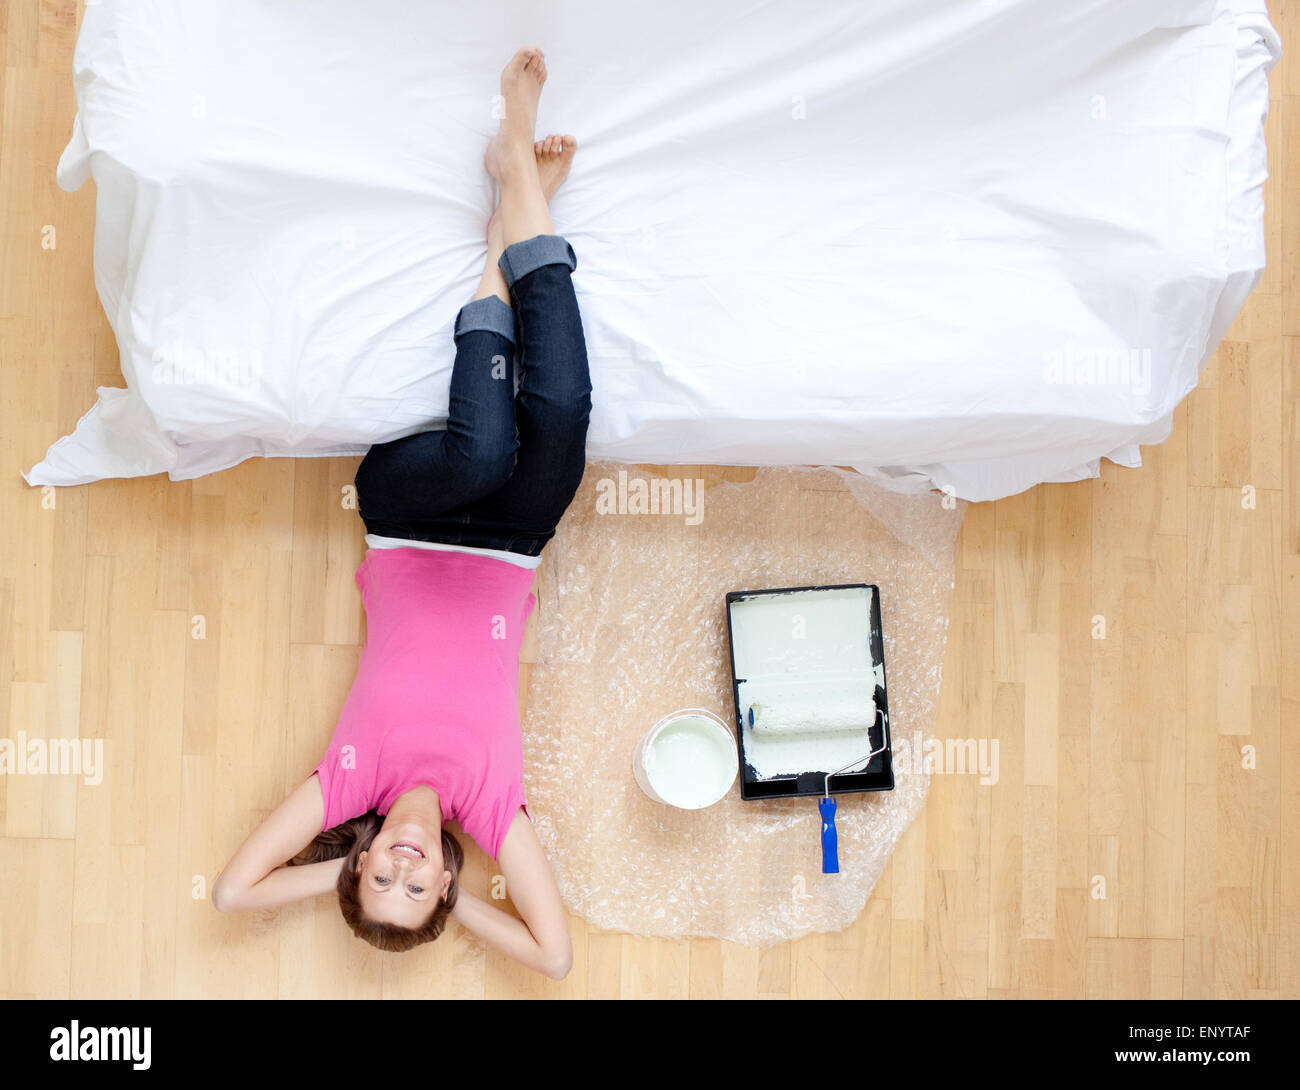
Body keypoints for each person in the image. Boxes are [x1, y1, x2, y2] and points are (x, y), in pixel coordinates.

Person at [213, 48, 588, 979]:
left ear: (366, 858)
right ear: (445, 882)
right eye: (420, 894)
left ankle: (513, 169)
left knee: (486, 450)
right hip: (513, 549)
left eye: (381, 880)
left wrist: (334, 867)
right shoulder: (494, 812)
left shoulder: (352, 783)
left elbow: (233, 893)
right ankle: (515, 212)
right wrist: (464, 909)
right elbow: (555, 961)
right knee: (567, 412)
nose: (405, 874)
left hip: (410, 518)